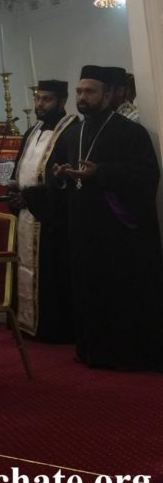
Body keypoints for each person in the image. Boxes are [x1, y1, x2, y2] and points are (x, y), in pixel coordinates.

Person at [51, 65, 163, 371]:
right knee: (88, 291)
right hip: (82, 228)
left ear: (109, 95)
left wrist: (101, 172)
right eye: (79, 91)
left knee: (120, 293)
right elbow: (59, 175)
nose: (82, 97)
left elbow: (146, 173)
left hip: (118, 232)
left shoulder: (131, 132)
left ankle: (126, 354)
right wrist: (60, 175)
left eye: (90, 92)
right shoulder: (72, 133)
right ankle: (92, 350)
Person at [7, 79, 77, 342]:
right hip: (26, 212)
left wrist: (32, 197)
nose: (40, 104)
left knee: (51, 271)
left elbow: (63, 177)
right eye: (38, 98)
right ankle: (26, 323)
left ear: (61, 100)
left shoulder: (71, 130)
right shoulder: (32, 130)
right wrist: (15, 192)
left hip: (50, 218)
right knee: (24, 265)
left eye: (46, 99)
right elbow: (20, 167)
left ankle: (51, 327)